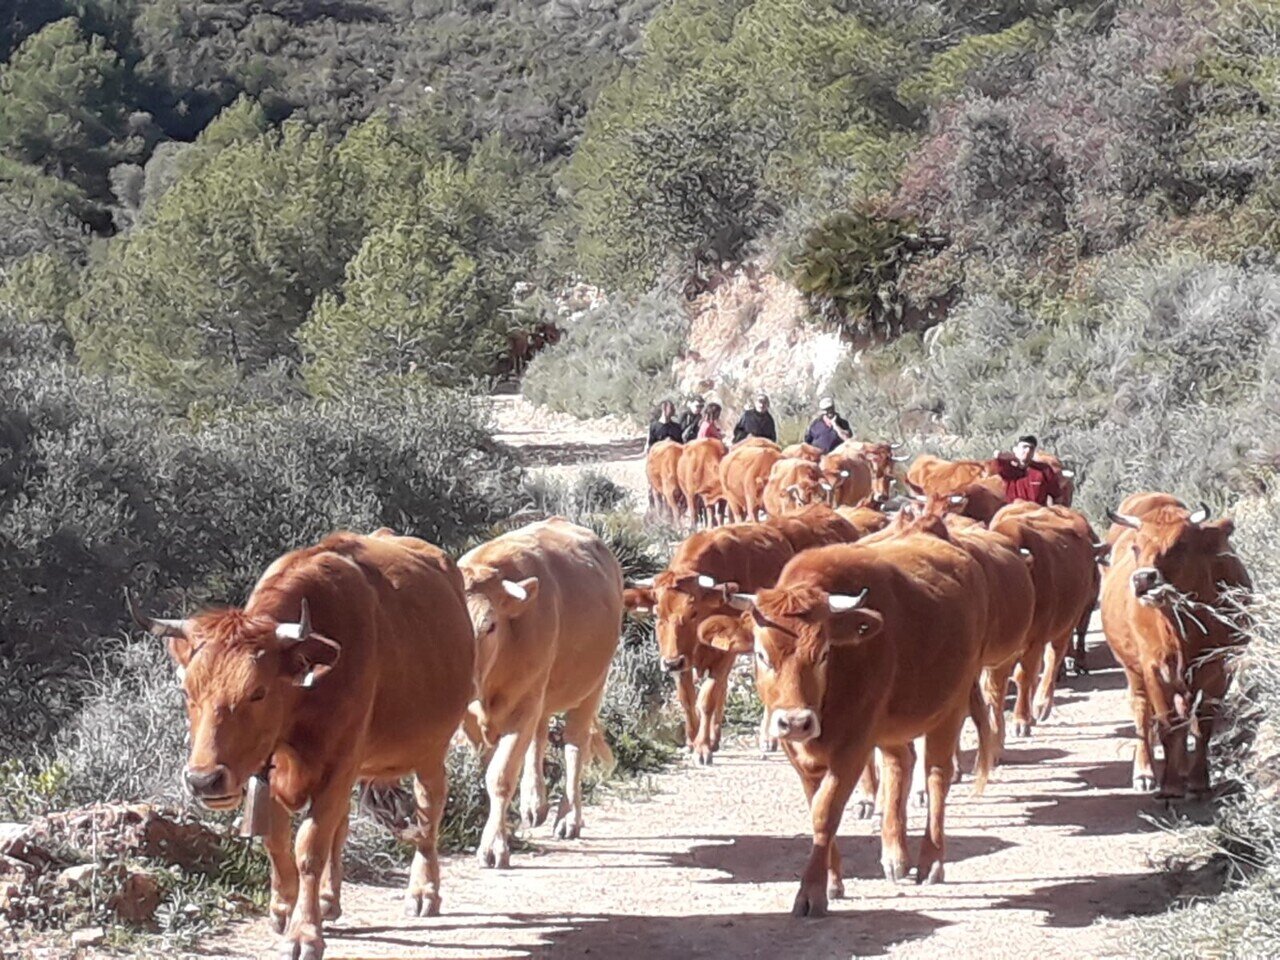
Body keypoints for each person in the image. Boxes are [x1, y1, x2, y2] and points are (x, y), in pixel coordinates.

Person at [991, 435, 1063, 505]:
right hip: (1014, 512)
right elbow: (997, 457)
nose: (1028, 451)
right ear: (1015, 449)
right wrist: (1011, 457)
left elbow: (1056, 495)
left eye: (1031, 448)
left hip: (1036, 512)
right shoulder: (1007, 468)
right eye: (1024, 447)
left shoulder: (1044, 469)